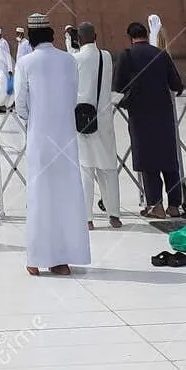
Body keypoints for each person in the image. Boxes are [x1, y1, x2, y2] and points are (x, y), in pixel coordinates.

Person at [14, 13, 90, 276]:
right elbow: (72, 96)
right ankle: (62, 260)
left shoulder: (25, 62)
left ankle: (36, 258)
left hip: (40, 138)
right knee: (65, 195)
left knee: (40, 196)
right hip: (65, 138)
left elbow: (20, 106)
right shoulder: (69, 60)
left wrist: (37, 119)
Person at [113, 20, 185, 217]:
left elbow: (118, 87)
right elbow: (177, 84)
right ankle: (174, 205)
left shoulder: (127, 56)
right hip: (163, 114)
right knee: (169, 159)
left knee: (148, 160)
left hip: (140, 115)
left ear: (130, 37)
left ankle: (156, 206)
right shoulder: (161, 54)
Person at [72, 22, 120, 229]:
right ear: (96, 35)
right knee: (108, 168)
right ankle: (114, 215)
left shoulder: (75, 59)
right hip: (104, 118)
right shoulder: (107, 56)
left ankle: (87, 218)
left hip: (83, 119)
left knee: (86, 168)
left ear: (78, 39)